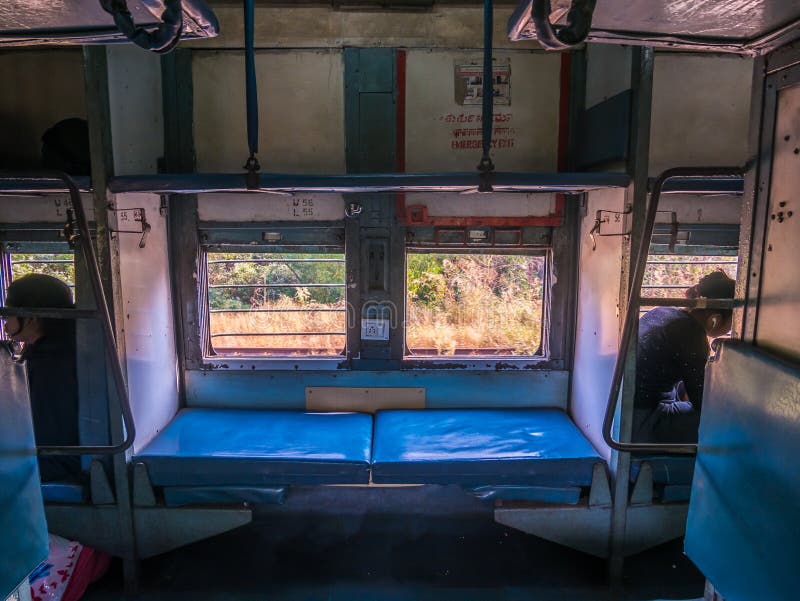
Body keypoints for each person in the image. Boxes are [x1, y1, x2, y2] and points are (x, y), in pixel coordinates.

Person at [633, 270, 736, 444]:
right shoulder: (693, 334)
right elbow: (704, 404)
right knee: (729, 423)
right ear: (715, 319)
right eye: (732, 322)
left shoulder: (663, 312)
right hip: (644, 422)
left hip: (627, 412)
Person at [3, 273, 82, 482]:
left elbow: (50, 433)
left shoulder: (50, 365)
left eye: (8, 315)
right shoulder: (67, 348)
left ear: (30, 317)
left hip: (54, 464)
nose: (5, 325)